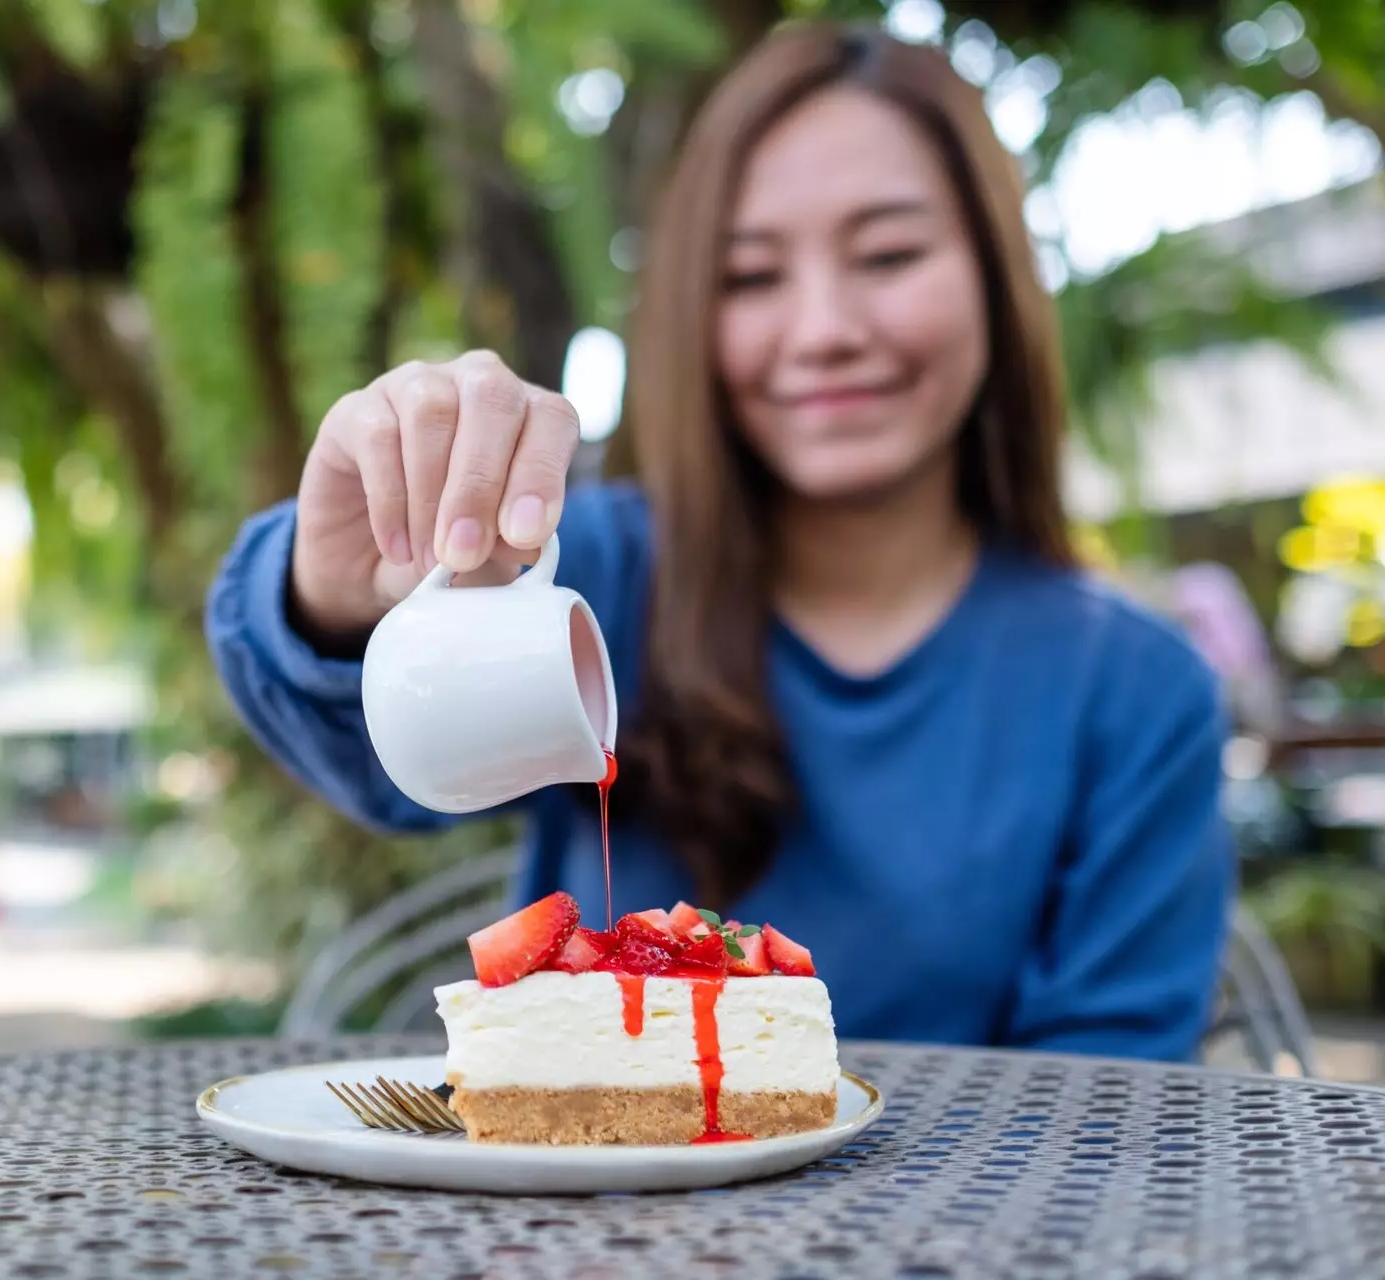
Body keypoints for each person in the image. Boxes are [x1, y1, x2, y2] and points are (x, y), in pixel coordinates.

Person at [204, 21, 1233, 1061]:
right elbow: (376, 757)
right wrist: (337, 590)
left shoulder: (1134, 692)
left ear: (998, 277)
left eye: (888, 254)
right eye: (750, 277)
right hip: (584, 1214)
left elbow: (1109, 1106)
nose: (824, 327)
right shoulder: (592, 571)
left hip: (965, 1221)